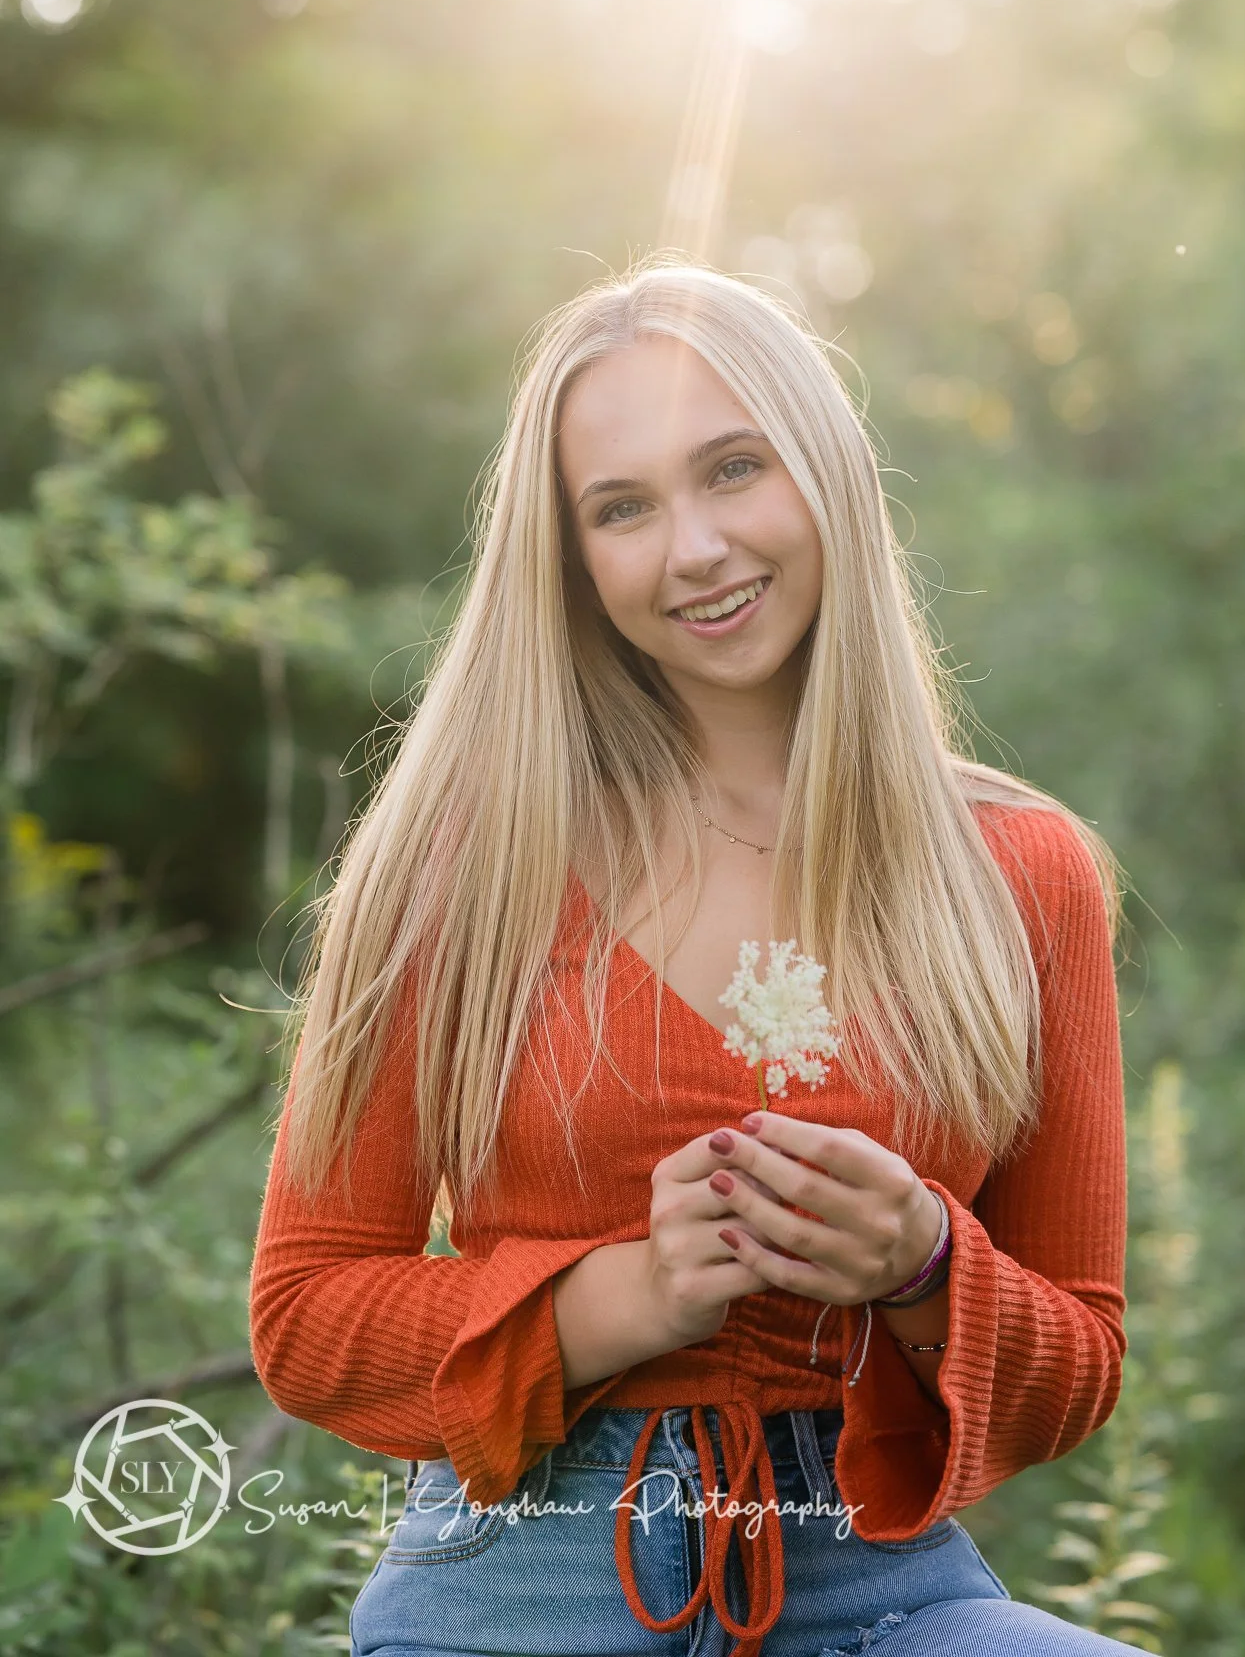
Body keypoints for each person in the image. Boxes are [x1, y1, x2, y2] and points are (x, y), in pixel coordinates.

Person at [249, 259, 1142, 1657]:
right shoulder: (463, 863)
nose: (694, 549)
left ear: (827, 476)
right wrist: (623, 1297)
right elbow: (307, 1320)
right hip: (519, 1579)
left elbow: (1078, 1361)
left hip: (872, 1580)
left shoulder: (1021, 875)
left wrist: (920, 1266)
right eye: (622, 508)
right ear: (572, 558)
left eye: (734, 470)